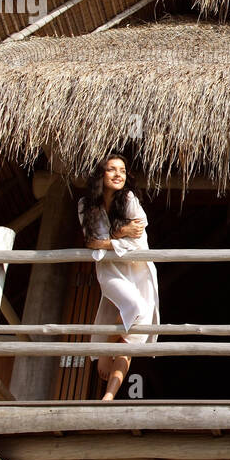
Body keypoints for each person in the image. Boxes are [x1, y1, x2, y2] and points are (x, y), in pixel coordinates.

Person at [77, 153, 160, 400]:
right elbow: (92, 241)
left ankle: (109, 395)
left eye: (122, 171)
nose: (118, 175)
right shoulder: (86, 205)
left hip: (137, 267)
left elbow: (138, 236)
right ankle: (106, 350)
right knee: (133, 306)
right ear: (100, 175)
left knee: (136, 330)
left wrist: (109, 240)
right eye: (112, 170)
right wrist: (121, 231)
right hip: (110, 268)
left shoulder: (129, 199)